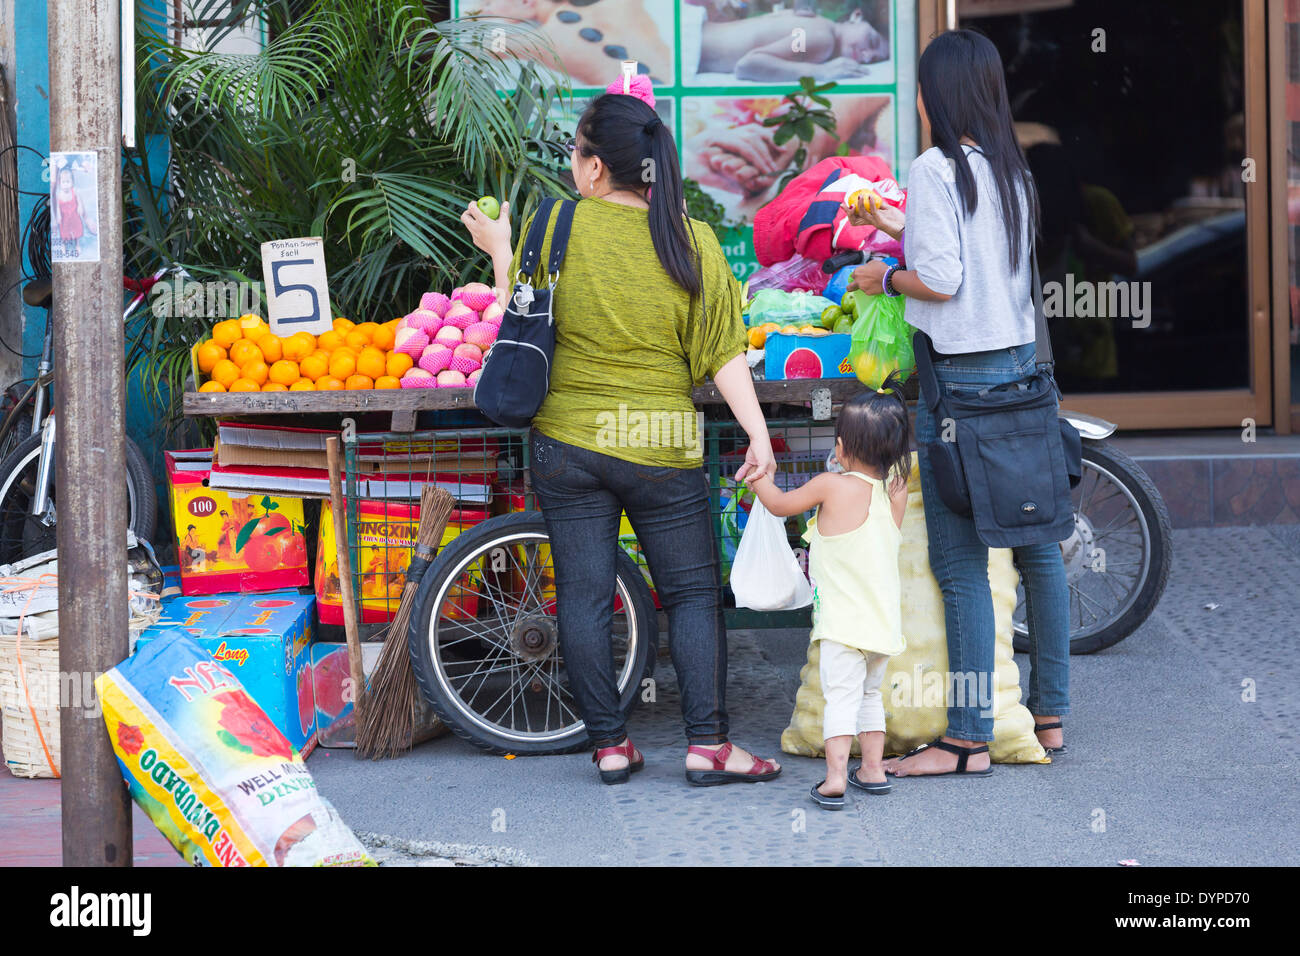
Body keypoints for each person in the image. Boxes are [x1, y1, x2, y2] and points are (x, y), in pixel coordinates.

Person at [461, 83, 783, 787]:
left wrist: (497, 247)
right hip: (661, 443)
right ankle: (707, 745)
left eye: (577, 152)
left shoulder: (552, 226)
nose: (574, 164)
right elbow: (723, 351)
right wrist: (756, 435)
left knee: (582, 592)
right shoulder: (690, 239)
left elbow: (522, 315)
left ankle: (609, 745)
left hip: (567, 443)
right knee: (694, 594)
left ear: (595, 167)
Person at [846, 29, 1070, 773]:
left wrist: (884, 275)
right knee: (1039, 550)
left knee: (961, 561)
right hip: (1020, 374)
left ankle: (967, 738)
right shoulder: (1010, 171)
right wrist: (901, 230)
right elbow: (971, 262)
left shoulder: (936, 168)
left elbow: (941, 281)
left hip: (964, 389)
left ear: (937, 95)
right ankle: (1052, 715)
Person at [747, 374, 910, 810]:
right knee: (870, 696)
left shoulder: (830, 486)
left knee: (840, 699)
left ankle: (835, 778)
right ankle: (872, 770)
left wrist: (756, 477)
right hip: (882, 626)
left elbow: (779, 505)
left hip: (843, 627)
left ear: (842, 447)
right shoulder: (896, 492)